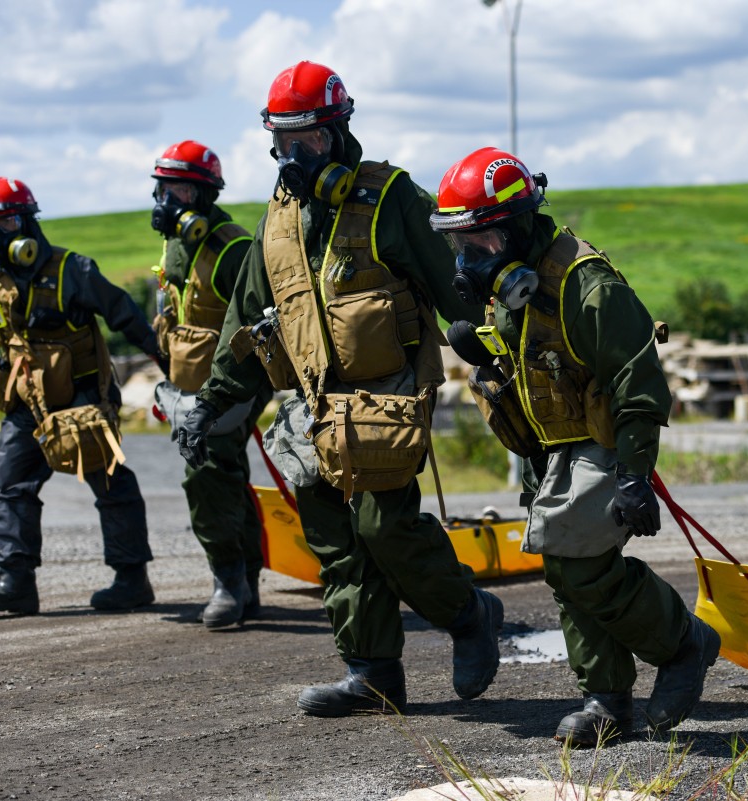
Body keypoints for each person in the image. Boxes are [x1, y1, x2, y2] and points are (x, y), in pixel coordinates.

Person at [175, 61, 499, 716]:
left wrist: (497, 361)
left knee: (384, 524)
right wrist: (209, 401)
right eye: (284, 143)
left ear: (339, 131)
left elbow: (456, 288)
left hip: (387, 391)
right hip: (312, 402)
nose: (295, 156)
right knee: (334, 537)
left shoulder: (391, 198)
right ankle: (372, 672)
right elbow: (243, 316)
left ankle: (467, 613)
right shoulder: (278, 220)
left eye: (310, 141)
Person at [429, 148, 721, 747]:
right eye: (458, 245)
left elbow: (638, 386)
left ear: (513, 229)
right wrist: (485, 350)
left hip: (602, 444)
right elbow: (537, 353)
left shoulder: (587, 285)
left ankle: (684, 642)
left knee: (581, 569)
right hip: (550, 450)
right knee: (567, 574)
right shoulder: (514, 287)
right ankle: (607, 699)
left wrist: (636, 477)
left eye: (478, 243)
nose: (467, 260)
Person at [0, 177, 165, 615]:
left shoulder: (72, 269)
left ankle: (133, 580)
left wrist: (160, 359)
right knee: (9, 484)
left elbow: (122, 312)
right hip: (27, 404)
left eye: (7, 222)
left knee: (110, 481)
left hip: (83, 397)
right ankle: (15, 582)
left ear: (30, 225)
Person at [148, 140, 273, 628]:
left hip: (234, 380)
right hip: (191, 379)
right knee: (224, 474)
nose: (166, 201)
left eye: (177, 189)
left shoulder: (231, 247)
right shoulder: (178, 247)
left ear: (203, 195)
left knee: (206, 475)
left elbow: (257, 324)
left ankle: (229, 582)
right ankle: (244, 581)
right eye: (162, 189)